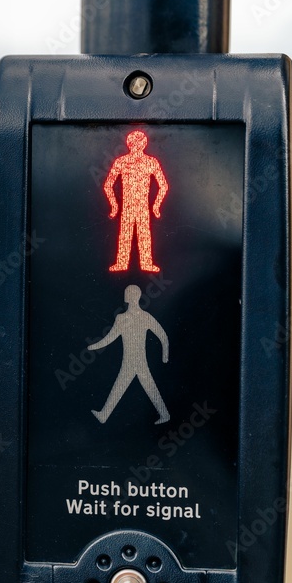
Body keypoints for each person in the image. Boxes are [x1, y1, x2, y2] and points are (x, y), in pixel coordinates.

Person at [88, 285, 170, 425]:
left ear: (131, 297)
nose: (126, 295)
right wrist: (94, 346)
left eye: (128, 293)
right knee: (141, 388)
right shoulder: (126, 318)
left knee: (128, 387)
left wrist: (165, 356)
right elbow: (110, 338)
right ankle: (164, 414)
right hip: (131, 362)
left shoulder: (140, 317)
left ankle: (104, 415)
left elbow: (163, 336)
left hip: (135, 362)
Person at [103, 130, 168, 273]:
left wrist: (156, 206)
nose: (137, 146)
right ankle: (132, 264)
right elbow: (108, 185)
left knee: (135, 235)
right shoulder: (147, 162)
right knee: (136, 234)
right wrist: (114, 206)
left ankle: (136, 264)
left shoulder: (125, 161)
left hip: (134, 206)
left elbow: (163, 186)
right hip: (134, 206)